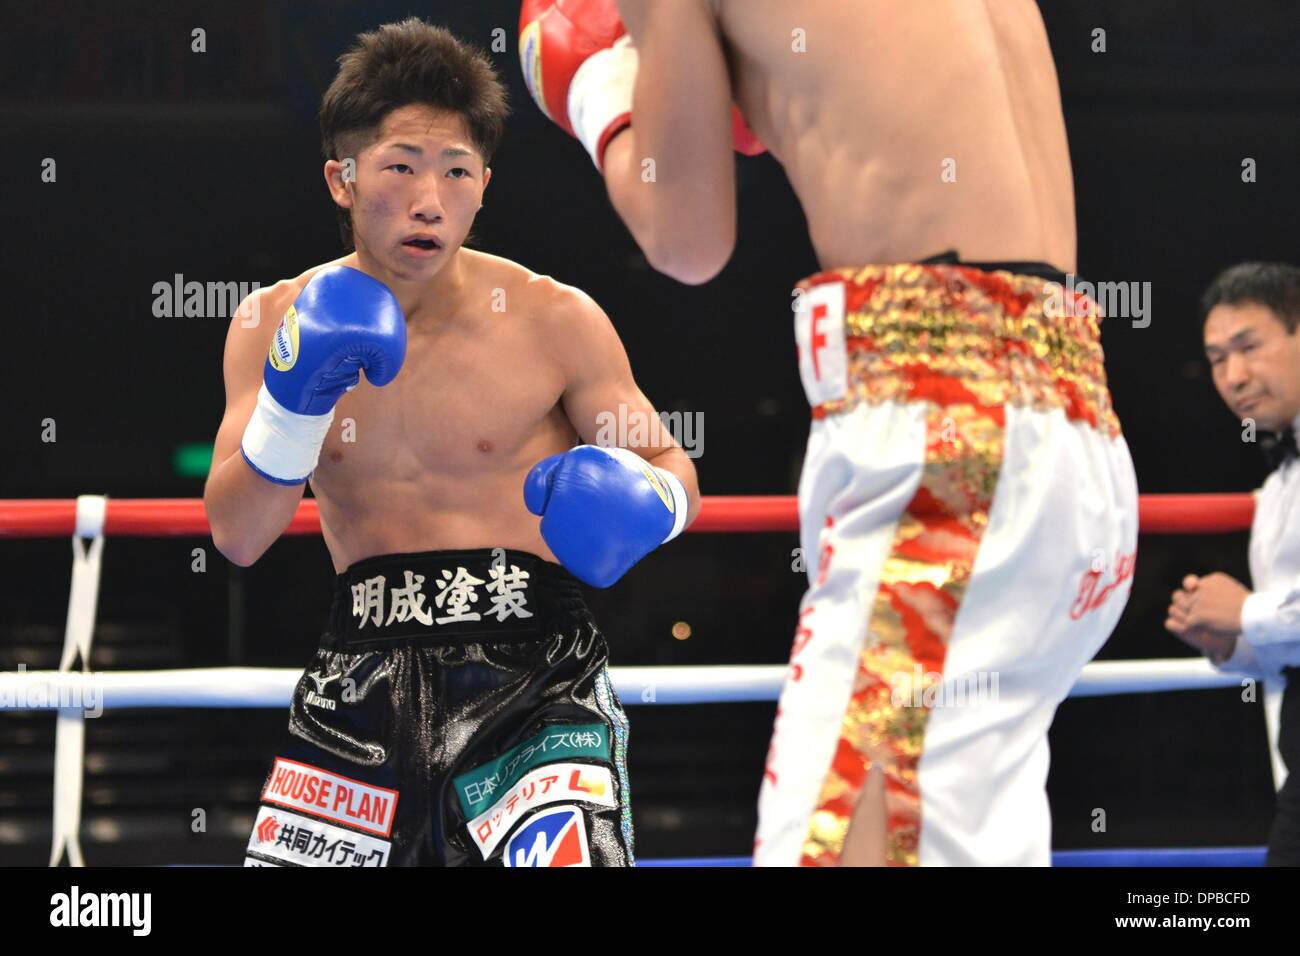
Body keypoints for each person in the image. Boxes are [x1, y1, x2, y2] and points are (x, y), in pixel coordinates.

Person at [520, 0, 1138, 865]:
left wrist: (598, 85)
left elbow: (686, 239)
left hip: (945, 449)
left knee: (830, 842)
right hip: (1072, 437)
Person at [203, 18, 699, 867]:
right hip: (357, 679)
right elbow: (239, 535)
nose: (429, 198)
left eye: (456, 172)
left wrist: (646, 503)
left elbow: (670, 466)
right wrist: (294, 407)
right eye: (400, 166)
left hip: (536, 679)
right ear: (342, 179)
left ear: (483, 186)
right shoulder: (269, 324)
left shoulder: (555, 319)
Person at [1168, 262, 1300, 867]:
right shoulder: (1276, 492)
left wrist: (1247, 610)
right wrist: (1227, 640)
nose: (1234, 376)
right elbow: (1283, 652)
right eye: (1218, 358)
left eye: (1249, 347)